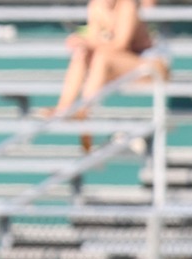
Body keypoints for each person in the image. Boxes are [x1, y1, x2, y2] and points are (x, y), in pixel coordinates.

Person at [52, 0, 165, 151]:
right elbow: (94, 39)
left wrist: (87, 42)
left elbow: (120, 44)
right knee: (82, 53)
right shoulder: (96, 6)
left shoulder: (127, 5)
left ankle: (83, 111)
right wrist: (80, 42)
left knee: (101, 57)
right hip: (122, 63)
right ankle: (64, 107)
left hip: (151, 65)